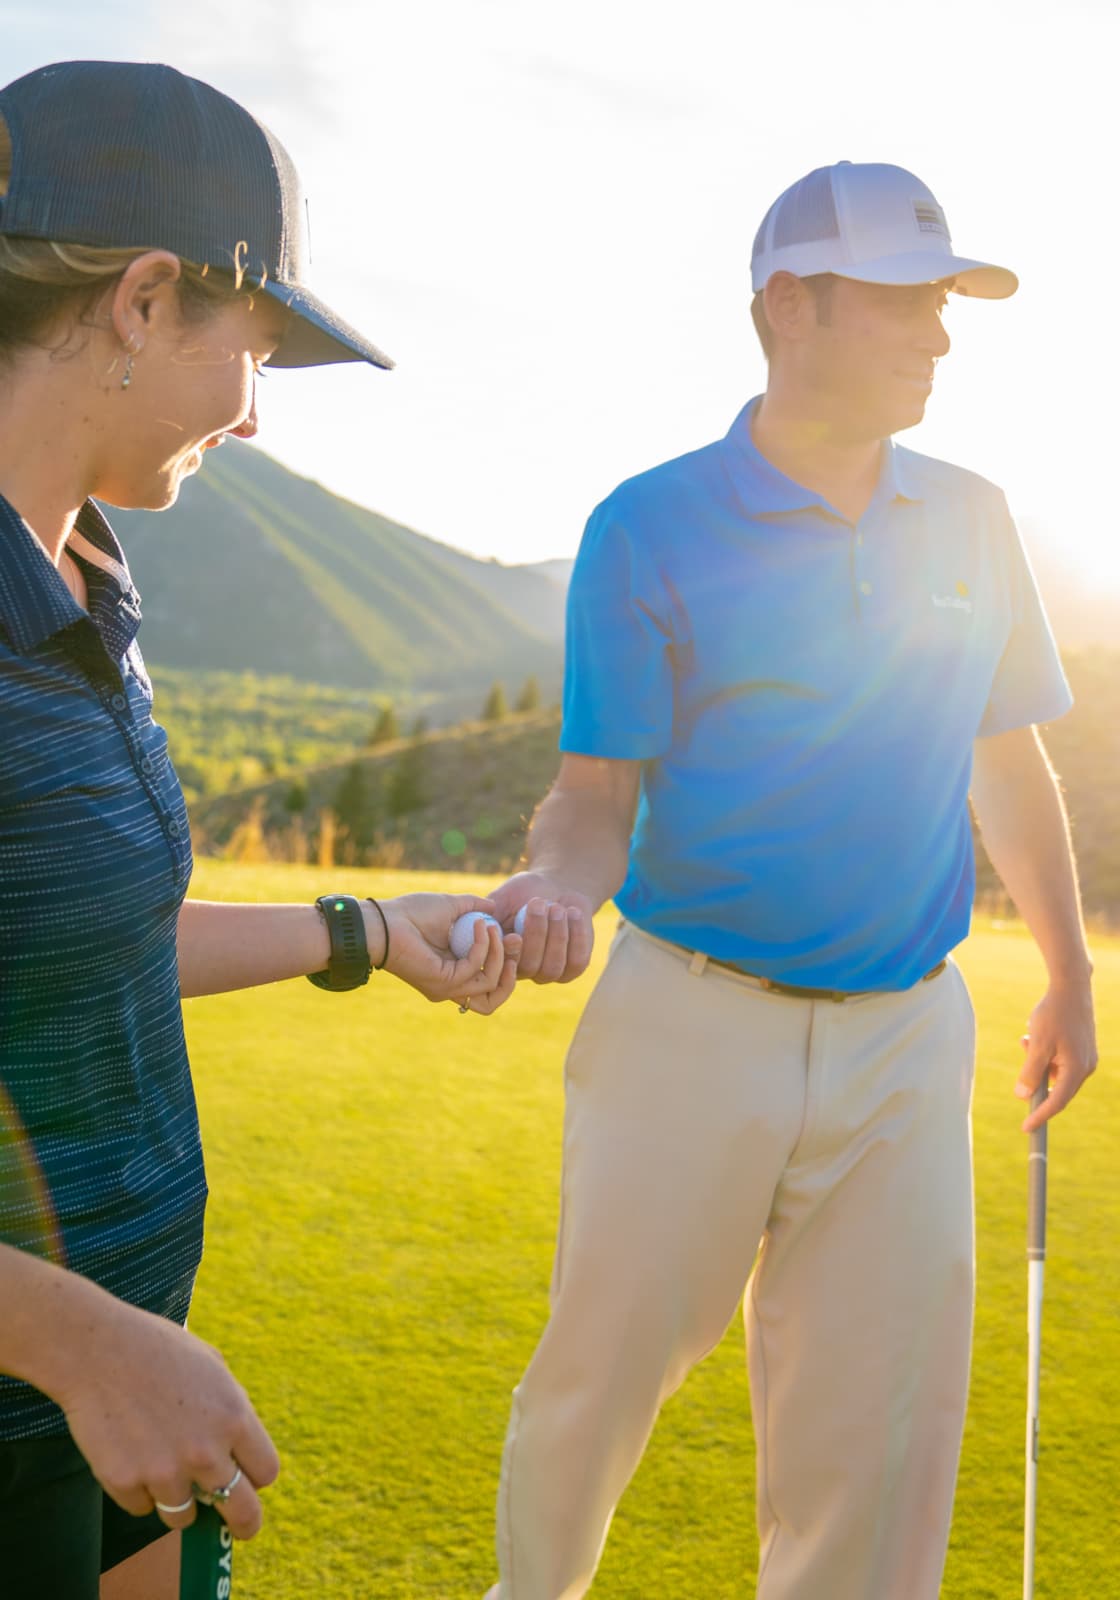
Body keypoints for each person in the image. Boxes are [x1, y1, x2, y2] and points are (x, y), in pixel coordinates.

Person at [483, 161, 1098, 1599]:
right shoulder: (649, 523)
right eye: (901, 302)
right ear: (787, 306)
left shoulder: (976, 514)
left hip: (906, 1033)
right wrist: (552, 889)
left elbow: (1008, 764)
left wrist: (1068, 970)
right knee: (598, 1383)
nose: (937, 336)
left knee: (879, 1443)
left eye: (944, 305)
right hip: (687, 1023)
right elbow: (592, 802)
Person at [0, 59, 520, 1600]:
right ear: (147, 300)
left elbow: (71, 940)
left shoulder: (85, 570)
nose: (248, 415)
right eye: (261, 348)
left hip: (99, 1412)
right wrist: (78, 1341)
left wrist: (363, 934)